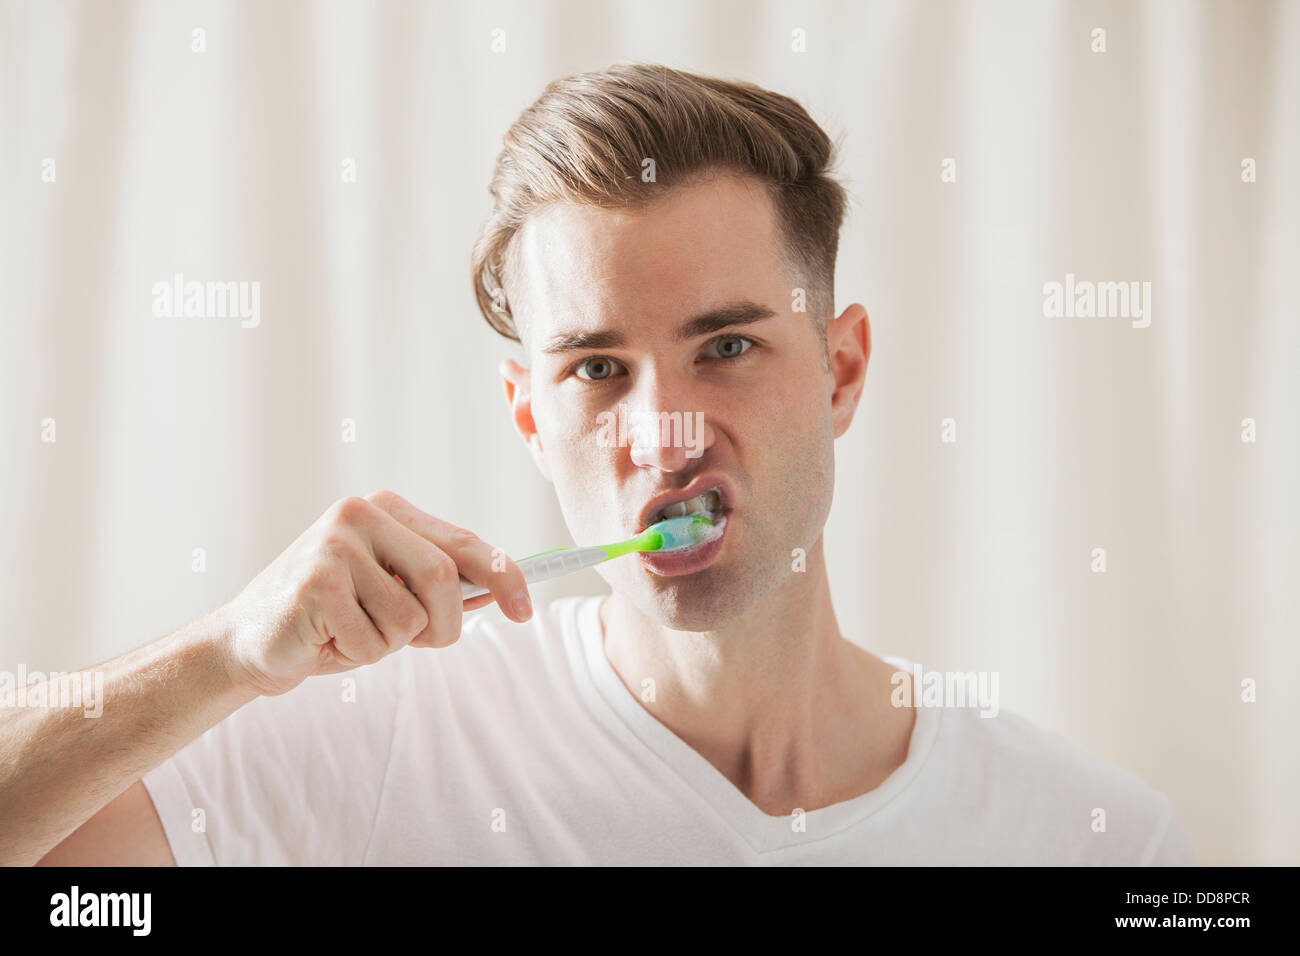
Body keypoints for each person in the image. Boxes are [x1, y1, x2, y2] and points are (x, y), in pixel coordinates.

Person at [3, 63, 1193, 865]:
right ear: (528, 414)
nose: (667, 432)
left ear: (839, 371)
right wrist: (222, 655)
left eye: (726, 346)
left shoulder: (1093, 837)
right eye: (597, 369)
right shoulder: (378, 743)